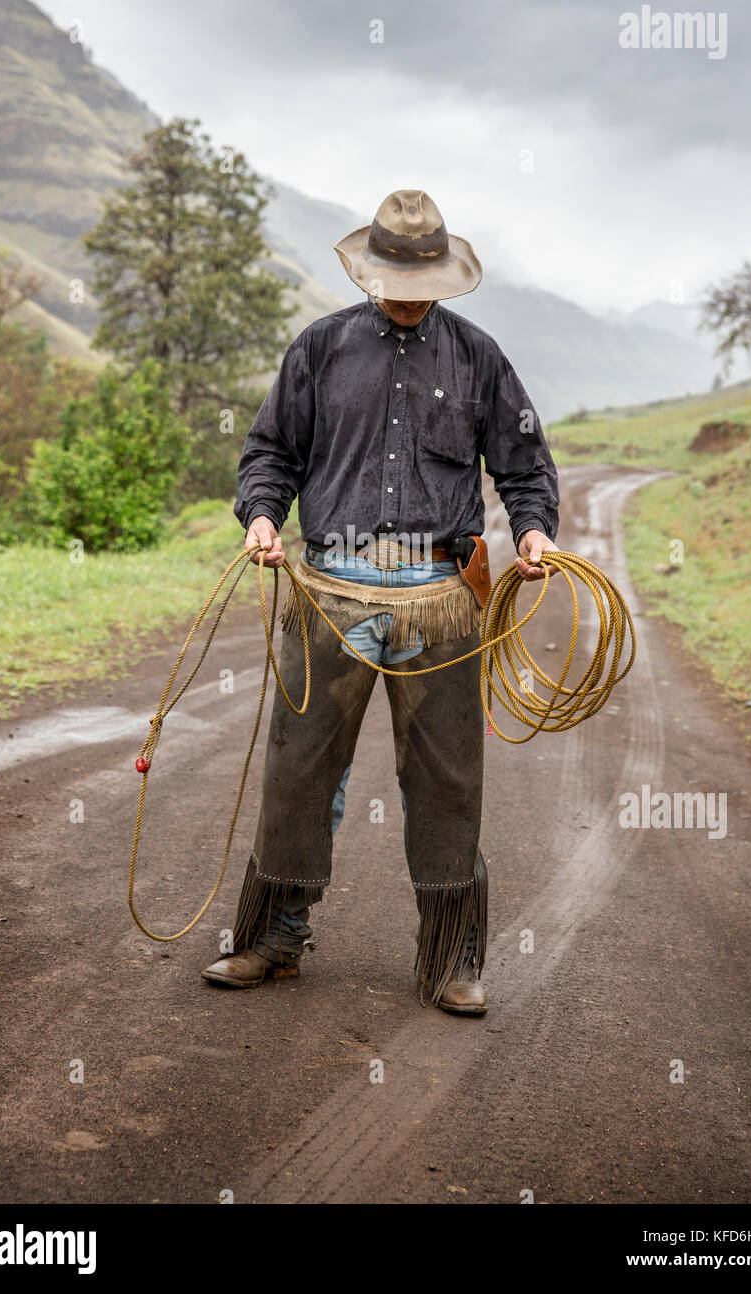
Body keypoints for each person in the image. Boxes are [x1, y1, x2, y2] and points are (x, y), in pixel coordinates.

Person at [202, 189, 559, 1015]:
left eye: (422, 275)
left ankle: (450, 961)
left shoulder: (478, 358)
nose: (406, 289)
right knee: (300, 771)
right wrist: (262, 517)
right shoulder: (319, 350)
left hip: (441, 599)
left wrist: (533, 533)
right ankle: (270, 939)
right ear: (371, 270)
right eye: (394, 274)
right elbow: (270, 454)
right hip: (329, 592)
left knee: (445, 781)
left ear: (443, 274)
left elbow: (525, 465)